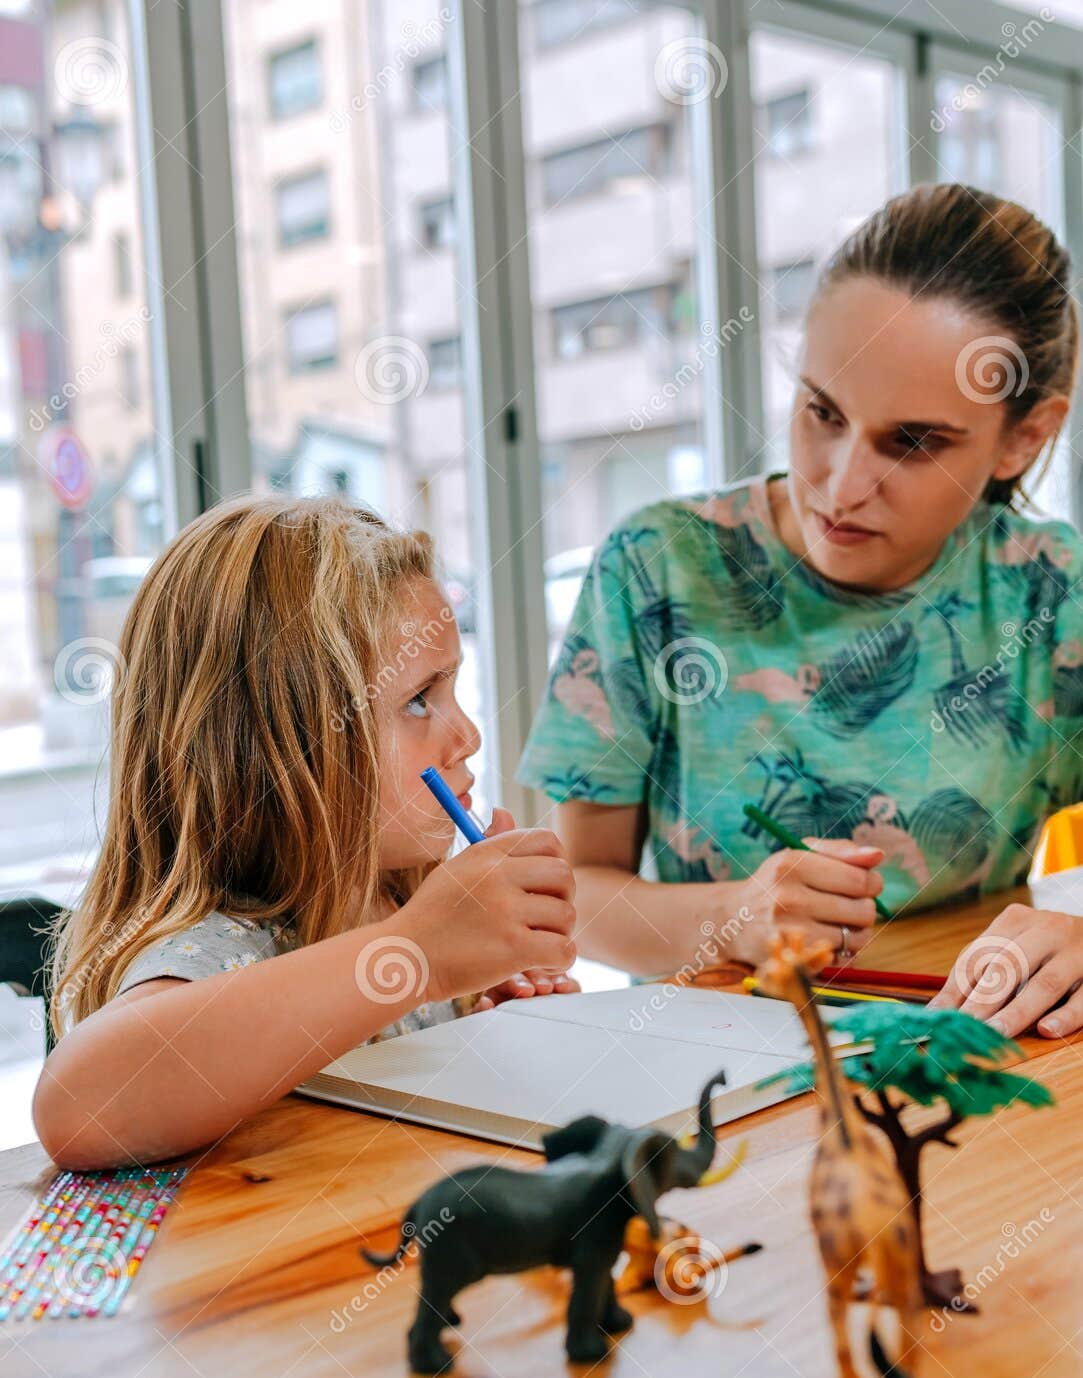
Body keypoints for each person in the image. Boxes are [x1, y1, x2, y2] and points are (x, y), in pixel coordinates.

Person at [518, 182, 1083, 1036]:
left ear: (1024, 437)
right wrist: (731, 920)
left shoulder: (1051, 594)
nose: (842, 485)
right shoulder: (658, 566)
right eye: (821, 410)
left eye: (913, 442)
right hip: (704, 1075)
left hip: (969, 1060)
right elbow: (577, 895)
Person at [34, 496, 577, 1170]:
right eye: (418, 701)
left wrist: (490, 1028)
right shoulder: (228, 942)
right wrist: (418, 956)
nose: (466, 734)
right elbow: (80, 1109)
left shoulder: (403, 901)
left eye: (453, 692)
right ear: (278, 749)